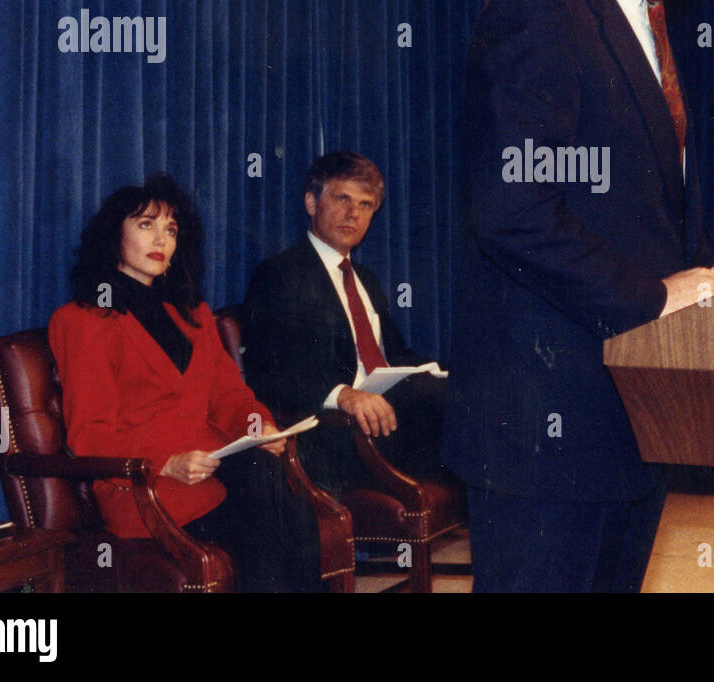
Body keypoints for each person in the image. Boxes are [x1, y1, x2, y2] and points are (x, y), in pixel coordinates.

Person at [443, 0, 714, 592]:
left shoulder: (644, 14)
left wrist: (706, 279)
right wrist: (654, 296)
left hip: (626, 415)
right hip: (547, 424)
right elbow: (514, 211)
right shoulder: (540, 5)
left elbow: (646, 206)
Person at [49, 173, 325, 592]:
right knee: (270, 501)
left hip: (216, 469)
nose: (161, 239)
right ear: (113, 236)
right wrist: (168, 461)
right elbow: (89, 435)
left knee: (285, 498)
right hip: (150, 488)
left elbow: (230, 396)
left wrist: (258, 428)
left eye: (171, 230)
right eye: (146, 225)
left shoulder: (193, 313)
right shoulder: (83, 320)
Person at [242, 151, 447, 494]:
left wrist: (445, 371)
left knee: (471, 392)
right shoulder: (279, 274)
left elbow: (394, 357)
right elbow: (269, 374)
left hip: (389, 417)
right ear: (311, 202)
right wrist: (342, 395)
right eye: (342, 198)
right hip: (334, 432)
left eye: (366, 205)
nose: (354, 214)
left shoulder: (365, 279)